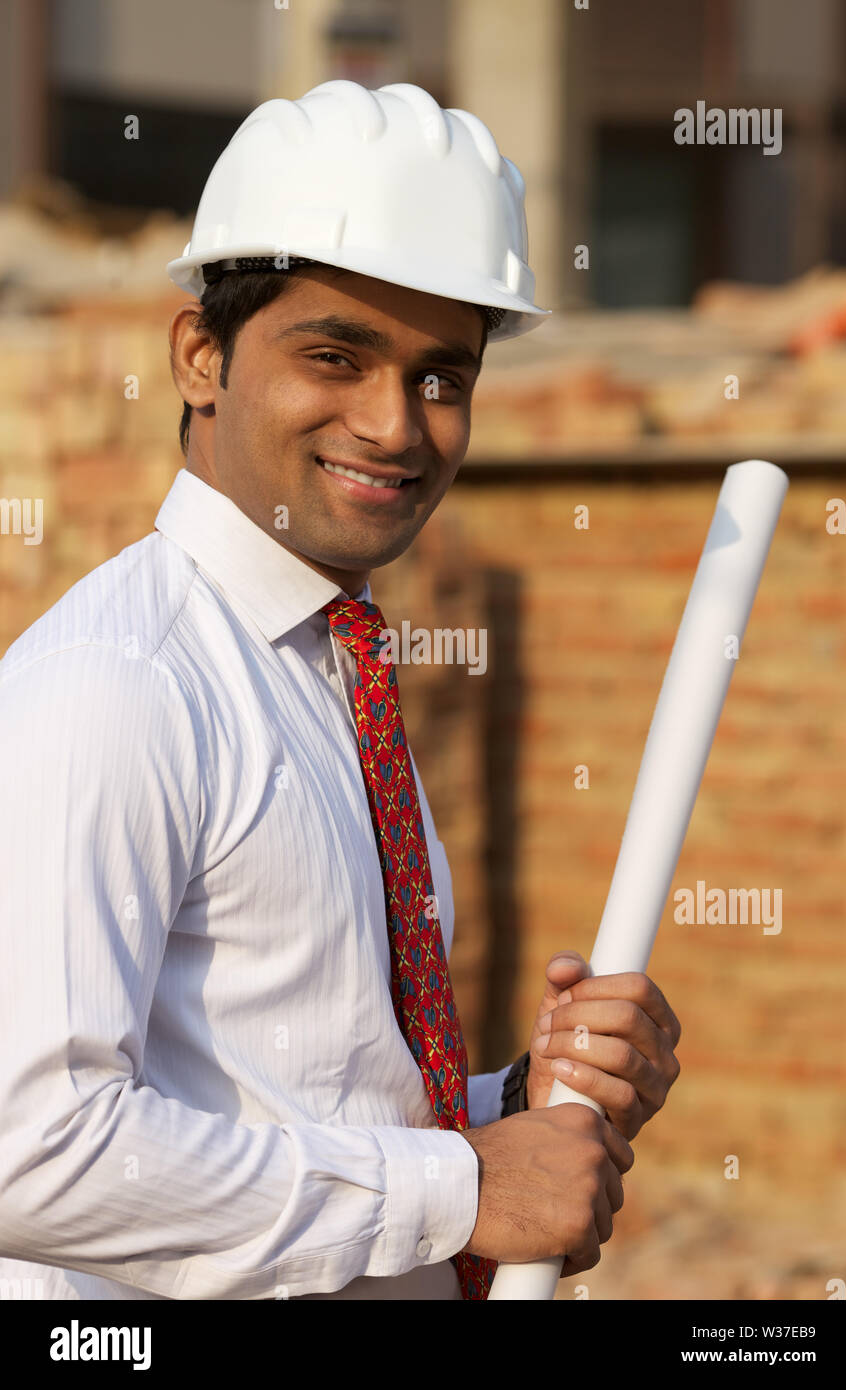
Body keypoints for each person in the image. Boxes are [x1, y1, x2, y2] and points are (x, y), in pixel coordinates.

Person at [0, 80, 680, 1301]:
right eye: (334, 356)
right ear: (199, 357)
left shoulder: (328, 668)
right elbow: (28, 1152)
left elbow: (294, 1094)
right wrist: (465, 1188)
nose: (394, 425)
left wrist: (522, 1106)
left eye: (439, 377)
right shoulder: (118, 683)